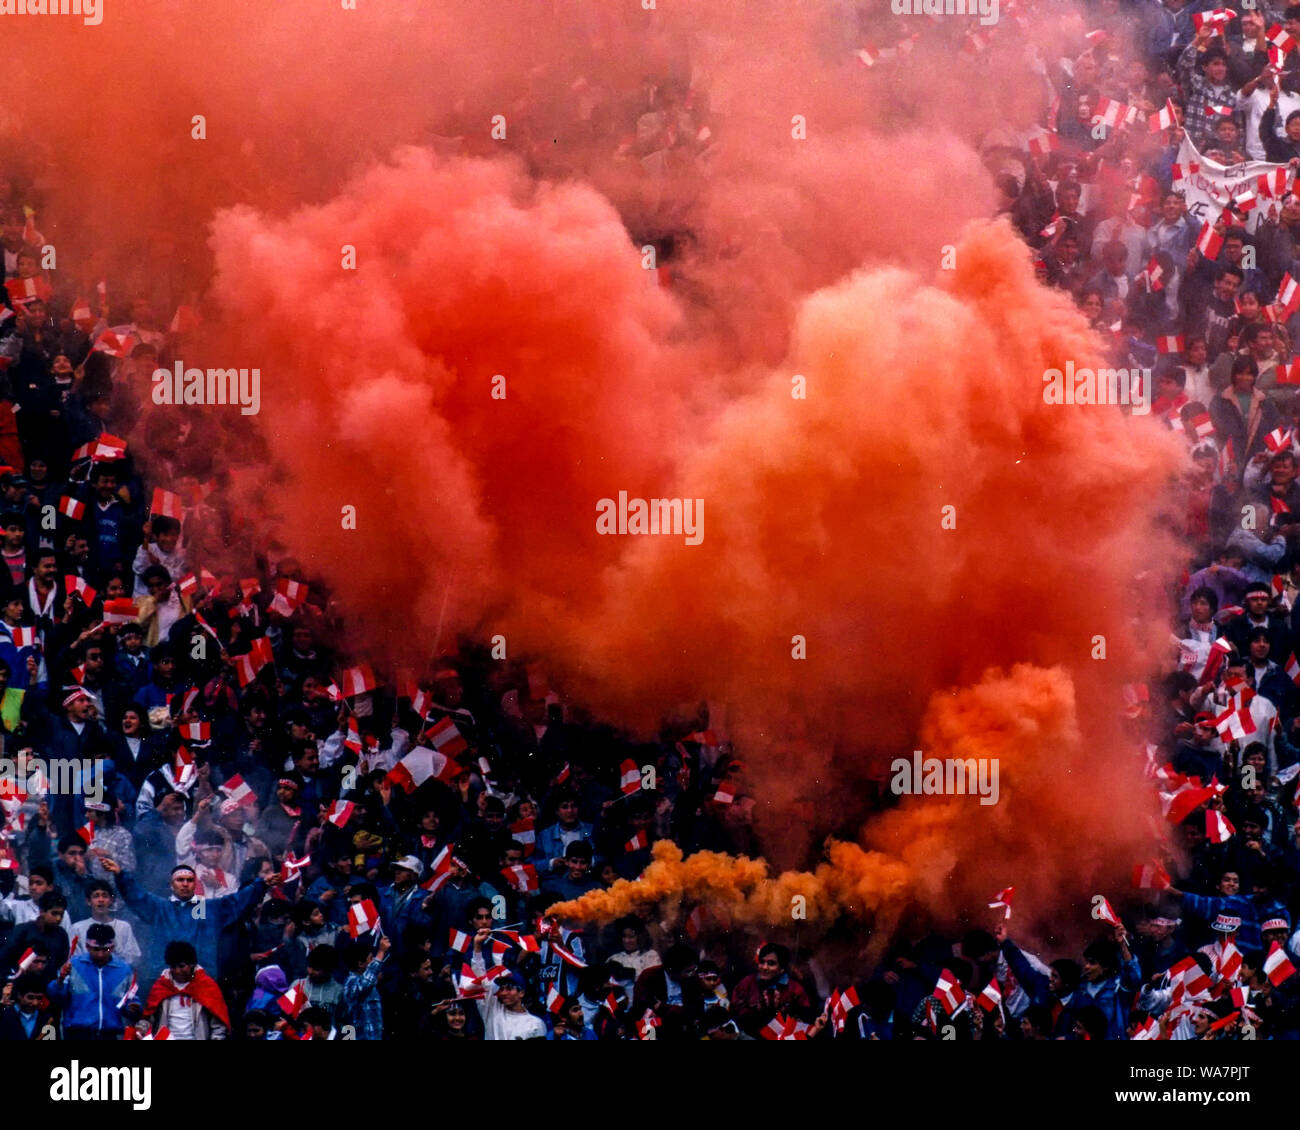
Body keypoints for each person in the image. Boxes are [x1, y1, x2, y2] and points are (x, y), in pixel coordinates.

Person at [46, 921, 136, 1040]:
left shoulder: (124, 970)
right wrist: (60, 979)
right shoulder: (73, 966)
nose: (100, 954)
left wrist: (134, 1008)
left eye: (105, 950)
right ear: (87, 946)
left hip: (109, 1034)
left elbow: (131, 1000)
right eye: (96, 949)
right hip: (78, 1033)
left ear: (112, 948)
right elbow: (56, 997)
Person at [141, 940, 229, 1040]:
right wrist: (141, 1029)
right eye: (173, 967)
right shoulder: (161, 986)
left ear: (192, 965)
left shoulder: (207, 986)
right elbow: (148, 1019)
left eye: (182, 966)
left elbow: (218, 1026)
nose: (177, 971)